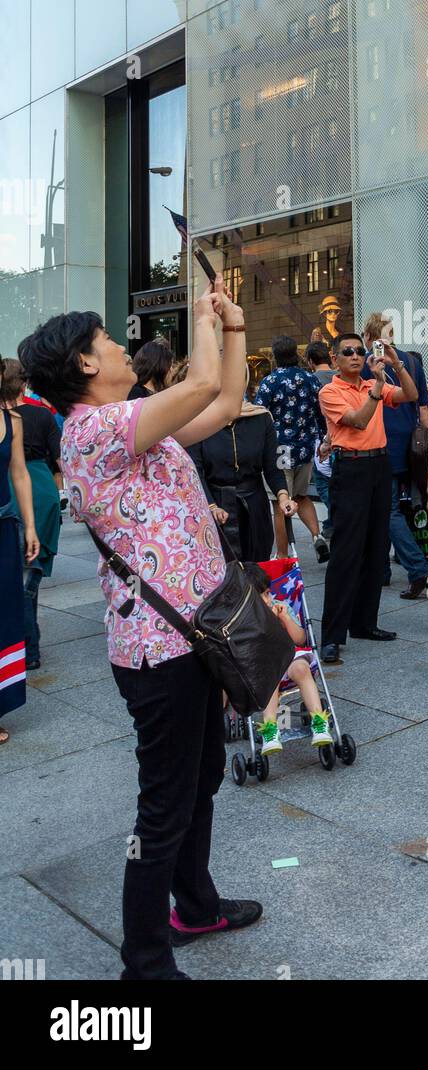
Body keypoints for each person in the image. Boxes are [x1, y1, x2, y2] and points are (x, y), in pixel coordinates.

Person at [19, 280, 262, 978]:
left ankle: (197, 904)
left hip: (198, 636)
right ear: (84, 365)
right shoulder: (93, 432)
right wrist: (205, 315)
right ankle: (145, 962)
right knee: (165, 804)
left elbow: (221, 403)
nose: (123, 344)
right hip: (160, 653)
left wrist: (232, 326)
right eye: (107, 340)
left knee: (203, 777)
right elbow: (206, 382)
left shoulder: (132, 420)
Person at [317, 334, 418, 663]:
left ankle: (364, 623)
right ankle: (332, 635)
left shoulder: (370, 383)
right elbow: (359, 421)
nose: (356, 356)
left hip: (380, 465)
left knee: (376, 549)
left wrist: (395, 362)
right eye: (347, 352)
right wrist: (376, 385)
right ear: (335, 359)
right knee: (346, 552)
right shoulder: (330, 391)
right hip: (351, 468)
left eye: (360, 351)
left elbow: (411, 394)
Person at [362, 313, 428, 600]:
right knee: (396, 507)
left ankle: (418, 570)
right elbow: (423, 404)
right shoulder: (411, 361)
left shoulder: (368, 363)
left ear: (369, 336)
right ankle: (382, 571)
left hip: (383, 442)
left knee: (386, 510)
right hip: (411, 445)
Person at [1, 358, 62, 670]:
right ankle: (29, 646)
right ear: (23, 384)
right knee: (31, 574)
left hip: (16, 491)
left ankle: (28, 647)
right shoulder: (42, 415)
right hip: (42, 492)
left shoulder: (13, 419)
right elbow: (61, 458)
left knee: (22, 576)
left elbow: (18, 471)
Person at [189, 398, 295, 562]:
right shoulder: (199, 419)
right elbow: (195, 471)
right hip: (216, 505)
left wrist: (283, 497)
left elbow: (273, 466)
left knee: (258, 565)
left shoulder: (261, 417)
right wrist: (212, 506)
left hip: (255, 505)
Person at [243, 562, 333, 755]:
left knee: (302, 668)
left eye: (268, 593)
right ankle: (270, 729)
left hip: (290, 657)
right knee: (270, 676)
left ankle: (319, 722)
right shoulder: (244, 619)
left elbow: (300, 639)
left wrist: (285, 620)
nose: (268, 600)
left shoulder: (280, 606)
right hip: (263, 666)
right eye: (262, 597)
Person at [255, 336, 329, 563]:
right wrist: (323, 440)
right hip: (305, 448)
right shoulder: (310, 379)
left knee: (280, 502)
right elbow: (320, 414)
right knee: (302, 496)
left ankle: (283, 554)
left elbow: (259, 415)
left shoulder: (269, 382)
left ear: (276, 357)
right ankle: (317, 536)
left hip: (279, 450)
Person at [0, 354, 39, 745]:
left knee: (4, 615)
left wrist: (29, 525)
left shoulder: (12, 421)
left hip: (3, 528)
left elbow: (19, 473)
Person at [306, 341, 334, 539]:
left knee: (323, 484)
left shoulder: (310, 380)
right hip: (344, 438)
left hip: (320, 441)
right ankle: (332, 522)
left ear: (310, 361)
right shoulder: (341, 377)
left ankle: (335, 519)